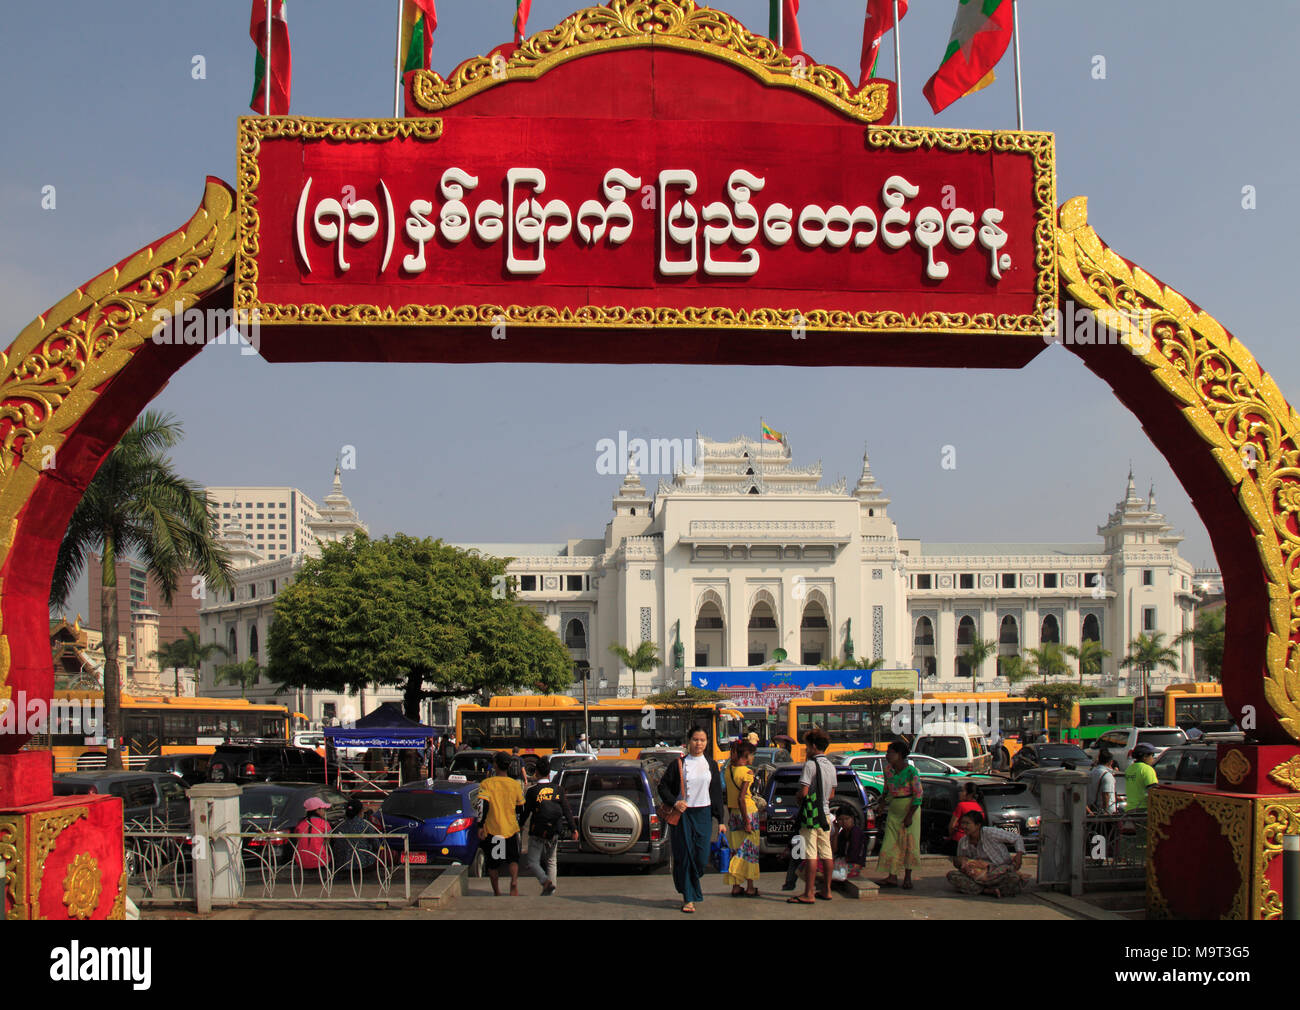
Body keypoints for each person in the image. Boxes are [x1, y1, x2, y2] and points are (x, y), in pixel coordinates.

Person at [657, 724, 725, 913]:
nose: (698, 743)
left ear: (707, 742)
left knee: (701, 858)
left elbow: (716, 793)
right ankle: (689, 898)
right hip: (683, 816)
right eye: (695, 740)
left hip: (703, 814)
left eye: (702, 740)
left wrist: (720, 820)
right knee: (685, 856)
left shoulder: (711, 764)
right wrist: (675, 802)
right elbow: (663, 787)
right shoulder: (679, 764)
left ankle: (689, 884)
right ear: (689, 741)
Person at [788, 727, 836, 904]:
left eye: (807, 746)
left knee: (810, 853)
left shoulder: (810, 765)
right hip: (825, 814)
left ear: (814, 746)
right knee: (827, 852)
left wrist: (798, 796)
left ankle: (809, 893)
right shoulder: (831, 766)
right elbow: (831, 795)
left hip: (811, 816)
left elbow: (804, 792)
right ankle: (827, 889)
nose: (806, 749)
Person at [519, 756, 579, 895]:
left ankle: (545, 881)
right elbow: (567, 811)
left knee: (533, 861)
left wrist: (519, 825)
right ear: (548, 773)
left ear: (536, 773)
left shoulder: (532, 791)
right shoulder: (558, 790)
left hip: (538, 831)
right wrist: (573, 829)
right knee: (552, 861)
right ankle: (551, 892)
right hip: (554, 830)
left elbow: (526, 812)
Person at [946, 810, 1029, 898]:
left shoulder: (990, 832)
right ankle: (988, 891)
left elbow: (1017, 838)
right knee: (952, 875)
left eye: (967, 823)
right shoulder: (963, 842)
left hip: (997, 872)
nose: (964, 826)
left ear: (978, 825)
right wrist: (969, 866)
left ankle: (982, 889)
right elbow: (961, 862)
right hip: (978, 875)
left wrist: (1019, 855)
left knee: (1013, 878)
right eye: (962, 823)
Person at [874, 739, 922, 889]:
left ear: (899, 754)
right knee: (891, 842)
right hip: (895, 808)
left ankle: (907, 878)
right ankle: (892, 876)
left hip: (910, 809)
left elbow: (918, 794)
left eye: (890, 753)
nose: (887, 755)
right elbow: (886, 789)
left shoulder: (911, 771)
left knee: (909, 843)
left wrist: (909, 816)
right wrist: (882, 804)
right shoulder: (888, 770)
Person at [477, 750, 526, 896]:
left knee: (493, 864)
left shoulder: (486, 784)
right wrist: (520, 824)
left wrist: (480, 825)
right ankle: (514, 881)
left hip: (493, 829)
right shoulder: (515, 785)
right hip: (510, 828)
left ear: (495, 765)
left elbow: (483, 806)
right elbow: (521, 808)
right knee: (513, 859)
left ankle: (497, 891)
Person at [724, 738, 761, 897]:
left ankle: (736, 885)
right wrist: (747, 821)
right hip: (748, 813)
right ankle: (750, 887)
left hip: (733, 814)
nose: (752, 758)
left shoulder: (729, 770)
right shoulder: (747, 773)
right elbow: (741, 798)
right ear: (746, 755)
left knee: (736, 850)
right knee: (750, 851)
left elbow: (730, 797)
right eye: (752, 755)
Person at [332, 798, 380, 872]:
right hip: (362, 864)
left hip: (341, 864)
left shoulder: (338, 826)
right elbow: (376, 845)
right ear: (361, 812)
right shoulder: (365, 825)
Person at [294, 796, 332, 872]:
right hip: (321, 862)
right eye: (323, 809)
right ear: (317, 810)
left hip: (301, 862)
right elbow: (328, 842)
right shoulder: (324, 823)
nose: (325, 811)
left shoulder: (300, 824)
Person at [831, 808, 866, 879]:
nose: (844, 822)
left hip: (853, 865)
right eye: (840, 819)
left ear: (852, 818)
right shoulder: (842, 833)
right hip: (843, 863)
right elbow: (834, 850)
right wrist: (836, 833)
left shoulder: (856, 832)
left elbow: (854, 855)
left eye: (847, 819)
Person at [1125, 742, 1160, 812]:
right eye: (1152, 755)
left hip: (1129, 809)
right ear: (1145, 756)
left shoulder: (1129, 769)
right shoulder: (1146, 769)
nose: (1153, 758)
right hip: (1143, 809)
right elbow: (1153, 791)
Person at [1088, 749, 1119, 815]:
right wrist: (1105, 811)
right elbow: (1106, 794)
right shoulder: (1107, 775)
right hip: (1106, 813)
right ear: (1111, 762)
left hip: (1092, 809)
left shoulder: (1091, 773)